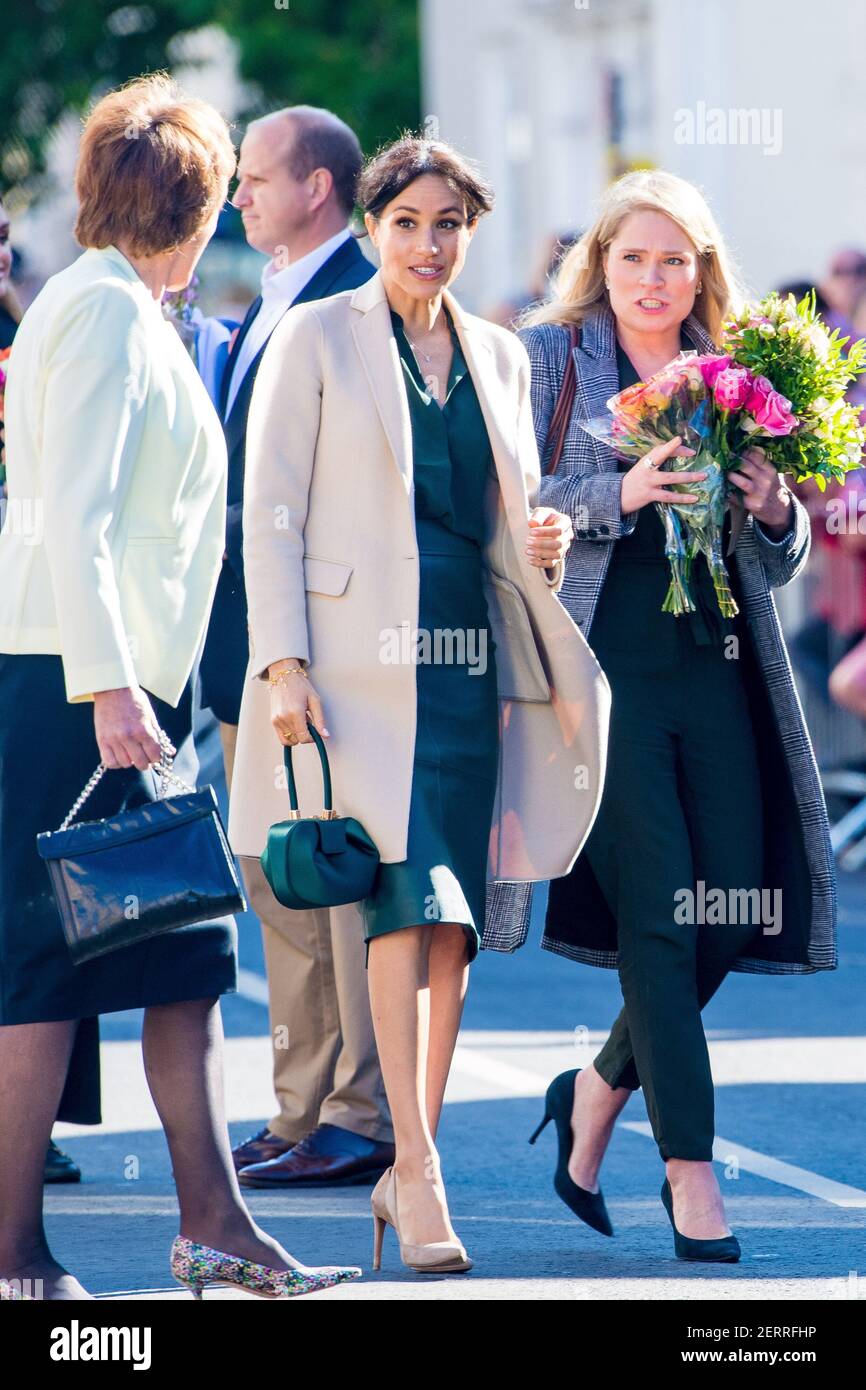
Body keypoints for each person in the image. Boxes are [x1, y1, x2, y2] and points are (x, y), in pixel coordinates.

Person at [0, 74, 359, 1301]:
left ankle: (218, 1226)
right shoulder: (101, 315)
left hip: (127, 691)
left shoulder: (125, 308)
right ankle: (15, 1258)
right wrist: (109, 691)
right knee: (47, 968)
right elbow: (78, 524)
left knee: (184, 958)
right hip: (77, 690)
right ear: (198, 209)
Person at [227, 134, 609, 1273]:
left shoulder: (498, 353)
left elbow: (504, 522)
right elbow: (272, 515)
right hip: (351, 670)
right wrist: (281, 666)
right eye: (406, 223)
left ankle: (408, 1160)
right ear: (369, 227)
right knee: (399, 900)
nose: (428, 245)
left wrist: (541, 538)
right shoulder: (316, 337)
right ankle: (419, 1167)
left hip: (468, 667)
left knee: (453, 926)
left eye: (448, 226)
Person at [491, 169, 836, 1261]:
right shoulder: (548, 360)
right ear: (600, 261)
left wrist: (776, 508)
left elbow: (774, 561)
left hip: (719, 664)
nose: (653, 279)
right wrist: (617, 495)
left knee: (729, 906)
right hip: (604, 677)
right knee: (662, 917)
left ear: (700, 273)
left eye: (673, 260)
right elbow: (508, 505)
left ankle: (593, 1091)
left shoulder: (740, 374)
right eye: (634, 257)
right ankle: (692, 1174)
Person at [197, 106, 394, 1192]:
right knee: (280, 880)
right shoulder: (271, 292)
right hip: (252, 636)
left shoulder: (359, 296)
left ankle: (360, 1112)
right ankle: (300, 1105)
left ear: (316, 186)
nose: (237, 197)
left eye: (253, 179)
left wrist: (299, 655)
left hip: (321, 648)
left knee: (341, 879)